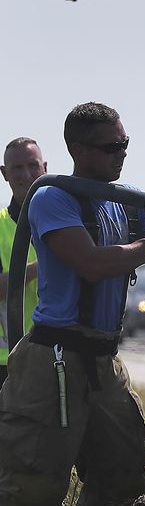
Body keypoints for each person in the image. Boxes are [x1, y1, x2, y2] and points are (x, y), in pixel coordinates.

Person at [0, 102, 145, 506]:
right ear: (78, 150)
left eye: (125, 144)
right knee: (29, 489)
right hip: (53, 362)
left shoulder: (127, 202)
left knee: (122, 483)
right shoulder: (52, 198)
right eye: (111, 146)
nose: (121, 153)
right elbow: (93, 264)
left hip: (104, 361)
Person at [0, 138, 48, 386]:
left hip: (53, 354)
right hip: (6, 361)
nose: (26, 174)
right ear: (4, 174)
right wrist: (40, 268)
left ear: (45, 169)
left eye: (33, 165)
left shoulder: (67, 221)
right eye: (17, 168)